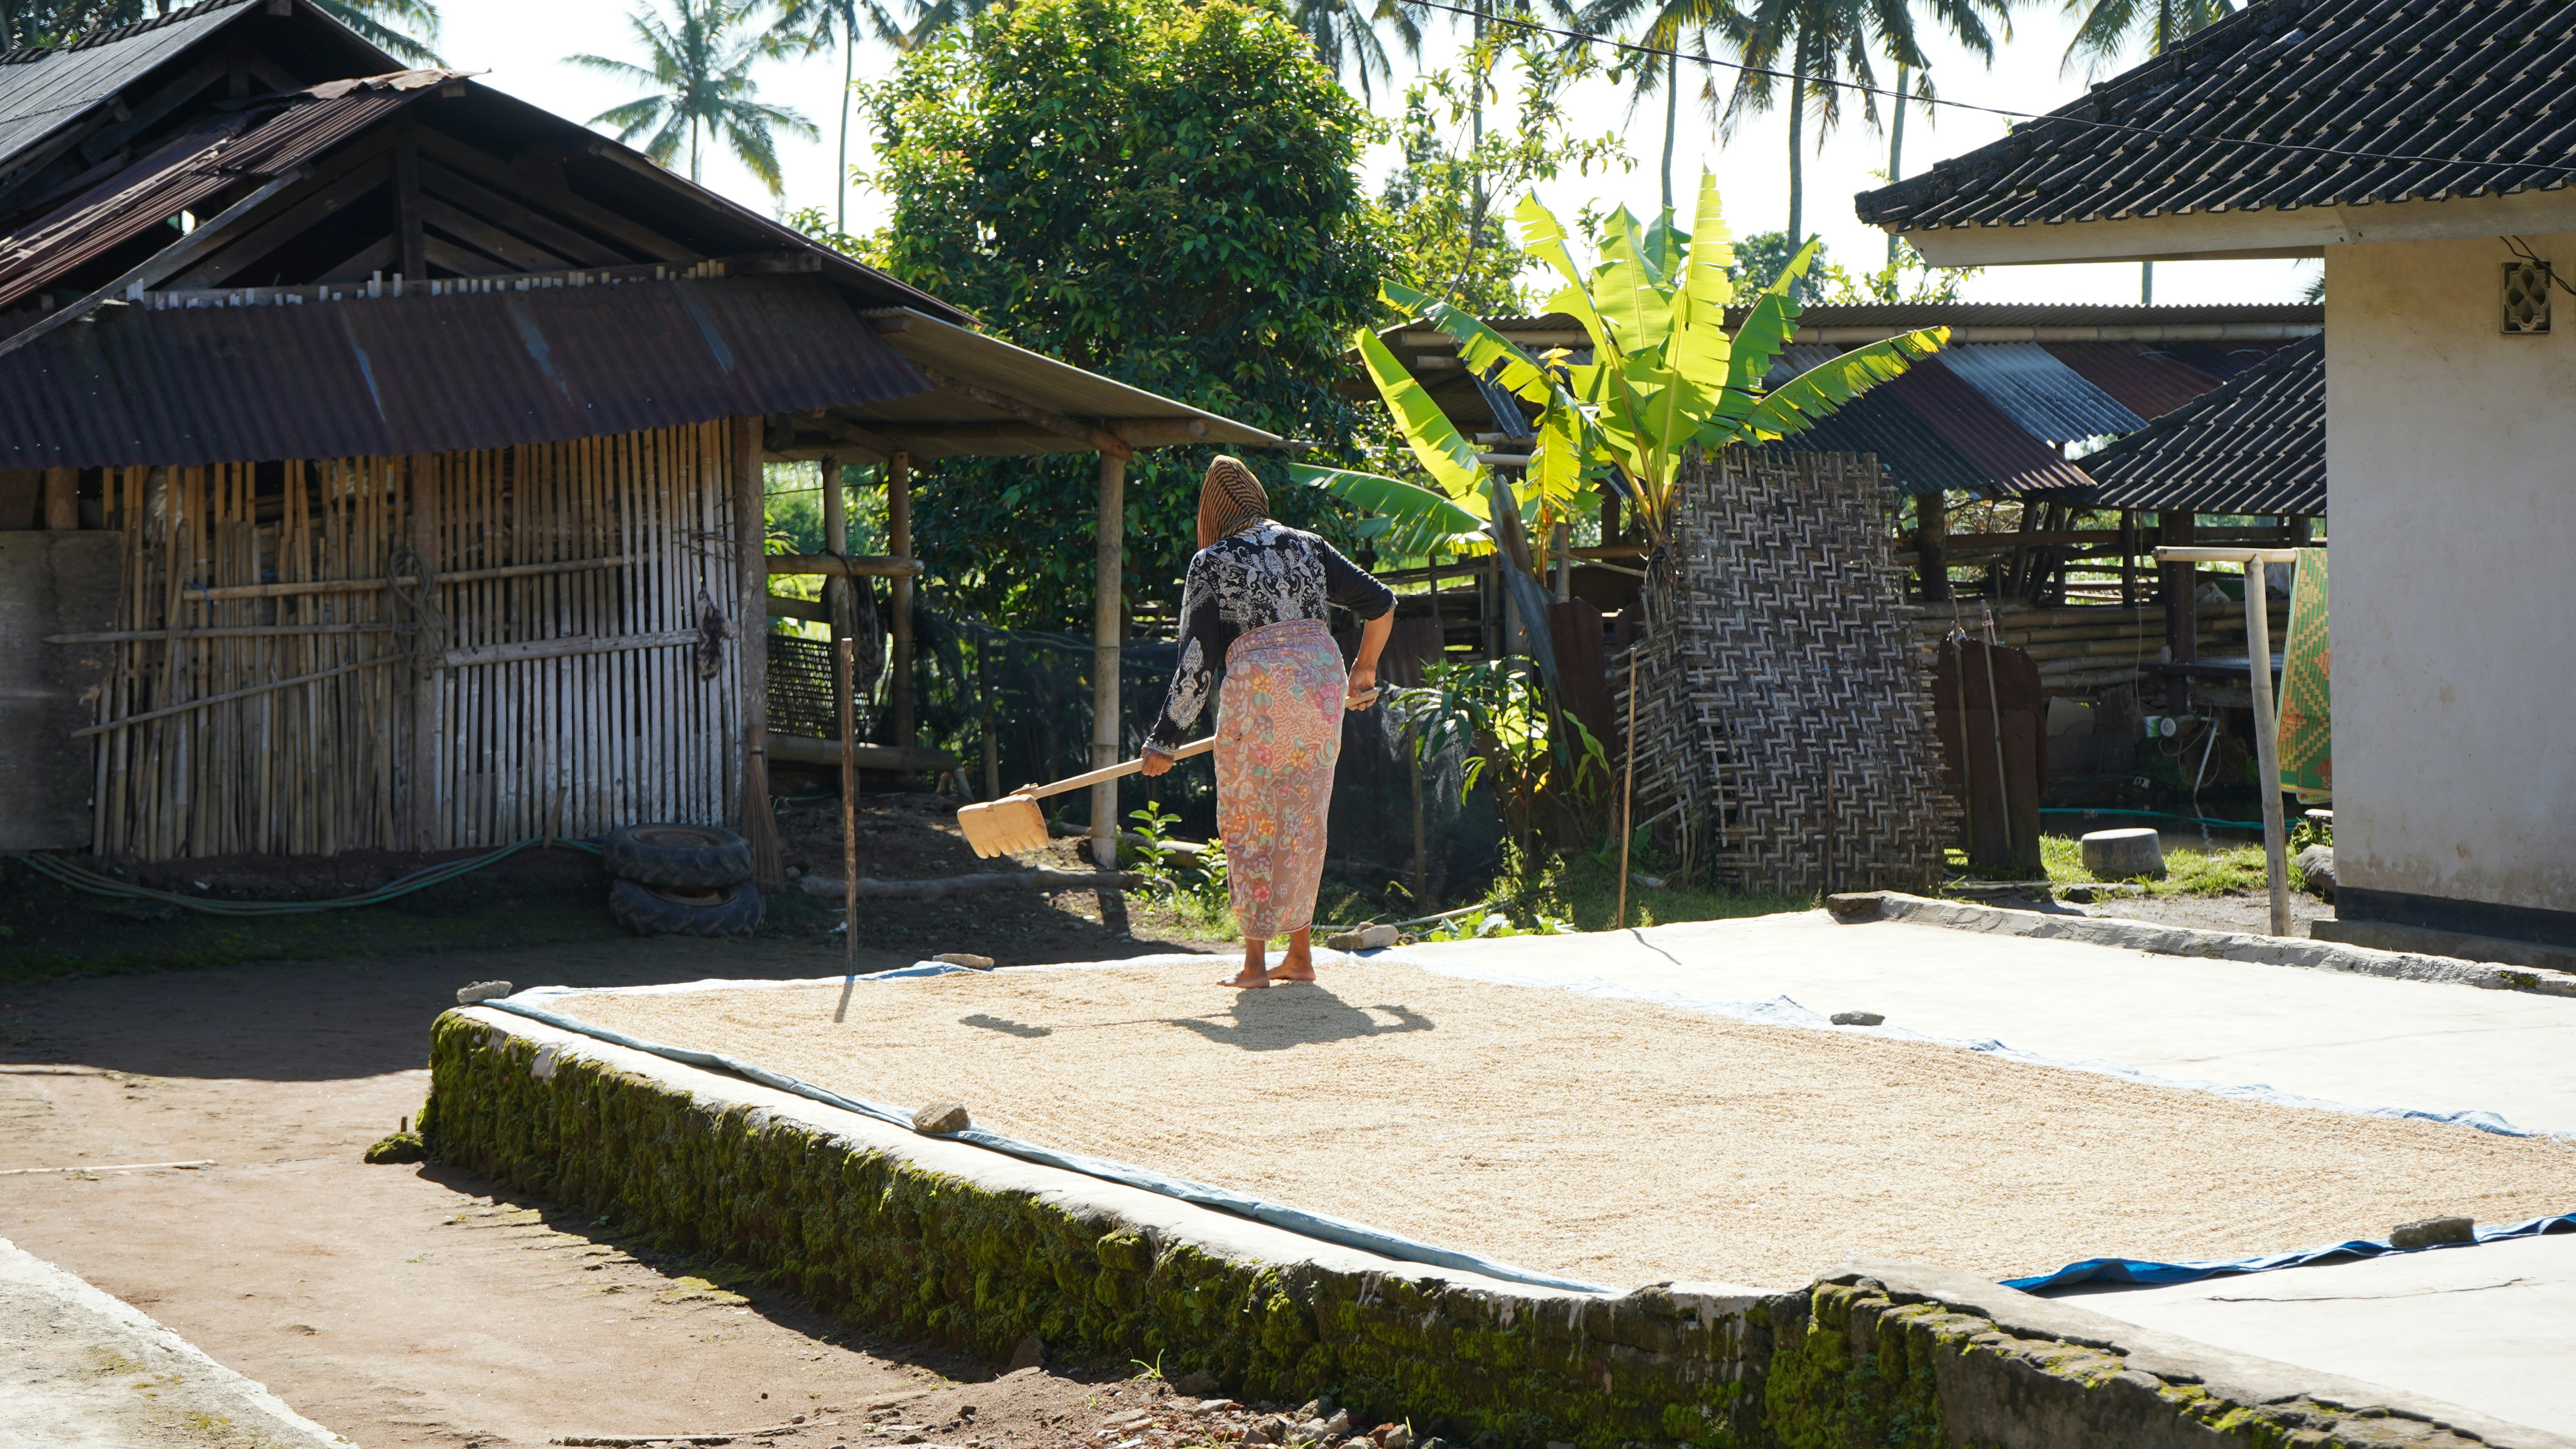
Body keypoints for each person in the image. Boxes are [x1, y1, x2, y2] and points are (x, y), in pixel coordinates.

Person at [1141, 456, 1394, 988]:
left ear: (1212, 513)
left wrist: (1165, 739)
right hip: (1320, 683)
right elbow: (1382, 602)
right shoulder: (1307, 544)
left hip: (1261, 690)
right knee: (1304, 818)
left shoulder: (1211, 561)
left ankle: (1256, 965)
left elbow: (1197, 660)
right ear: (1258, 499)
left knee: (1250, 815)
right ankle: (1299, 957)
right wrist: (1362, 671)